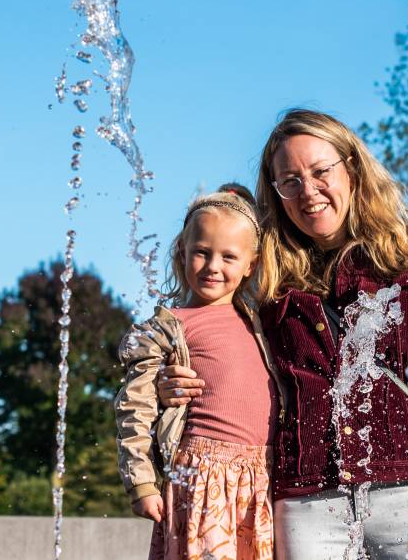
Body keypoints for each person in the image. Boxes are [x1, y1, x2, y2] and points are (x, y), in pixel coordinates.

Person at [159, 109, 408, 560]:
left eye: (320, 171)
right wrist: (172, 384)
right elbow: (221, 357)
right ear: (276, 194)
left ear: (353, 169)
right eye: (290, 181)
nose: (308, 191)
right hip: (306, 506)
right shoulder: (266, 285)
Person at [114, 188, 285, 560]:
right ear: (182, 252)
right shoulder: (169, 326)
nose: (213, 267)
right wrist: (141, 483)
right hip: (202, 477)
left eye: (229, 256)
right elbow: (134, 407)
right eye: (202, 252)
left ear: (251, 265)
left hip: (263, 479)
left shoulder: (261, 322)